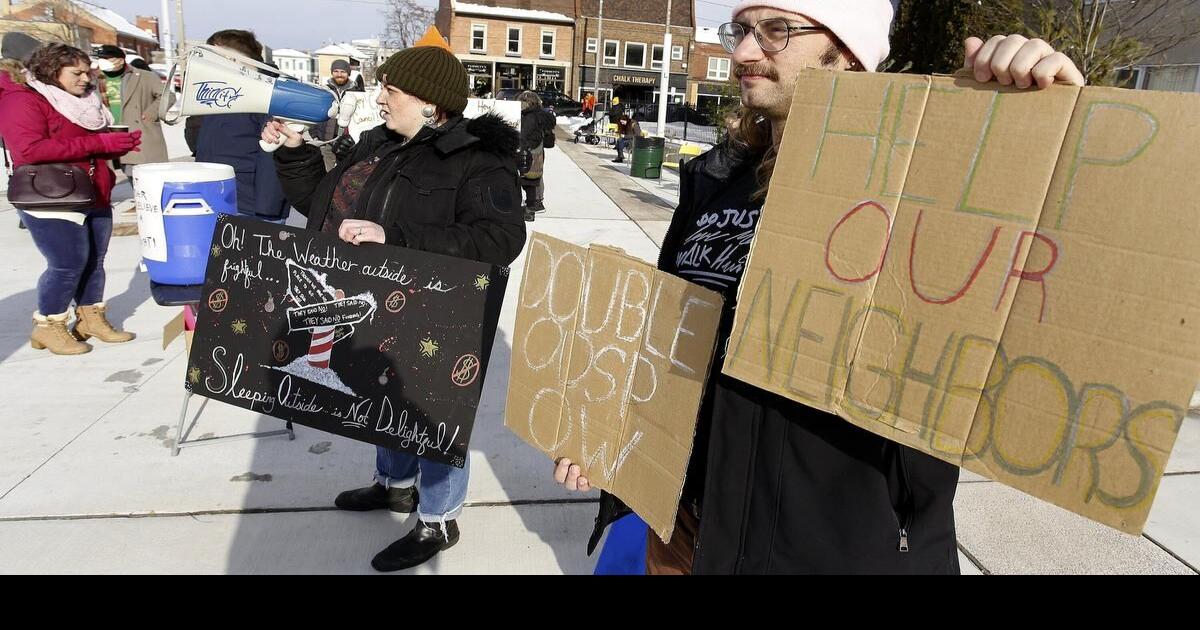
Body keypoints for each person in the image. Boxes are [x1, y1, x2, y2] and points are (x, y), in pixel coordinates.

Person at [553, 0, 1087, 574]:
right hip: (686, 533)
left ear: (848, 53)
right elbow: (668, 338)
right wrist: (605, 425)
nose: (741, 53)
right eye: (741, 30)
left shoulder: (923, 193)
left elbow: (1058, 289)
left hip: (825, 549)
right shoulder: (716, 181)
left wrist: (1047, 111)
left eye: (775, 31)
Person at [262, 27, 525, 572]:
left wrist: (396, 238)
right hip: (373, 303)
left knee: (432, 414)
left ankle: (438, 518)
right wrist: (293, 154)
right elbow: (321, 202)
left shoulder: (477, 159)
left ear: (430, 103)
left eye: (393, 91)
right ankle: (394, 486)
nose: (380, 98)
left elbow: (501, 239)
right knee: (383, 396)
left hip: (441, 313)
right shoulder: (379, 145)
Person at [0, 44, 142, 355]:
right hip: (51, 195)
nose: (85, 79)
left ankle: (90, 318)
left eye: (87, 71)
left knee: (95, 260)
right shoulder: (23, 99)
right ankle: (48, 325)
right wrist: (98, 141)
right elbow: (29, 150)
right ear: (52, 71)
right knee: (66, 264)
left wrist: (113, 146)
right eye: (76, 73)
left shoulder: (83, 101)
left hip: (93, 190)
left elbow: (79, 144)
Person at [185, 30, 291, 224]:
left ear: (234, 58)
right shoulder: (216, 88)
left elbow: (273, 153)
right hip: (213, 194)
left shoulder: (270, 92)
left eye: (215, 56)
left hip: (249, 204)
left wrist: (267, 210)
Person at [93, 45, 167, 176]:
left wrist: (152, 113)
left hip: (136, 131)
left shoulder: (144, 76)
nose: (102, 62)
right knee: (107, 176)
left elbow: (167, 96)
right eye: (100, 58)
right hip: (107, 133)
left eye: (107, 58)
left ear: (121, 60)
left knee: (139, 175)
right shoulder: (93, 79)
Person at [313, 59, 363, 169]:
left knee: (345, 173)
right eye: (336, 71)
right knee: (327, 174)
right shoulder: (324, 90)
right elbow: (314, 112)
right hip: (326, 141)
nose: (339, 74)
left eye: (343, 71)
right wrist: (315, 135)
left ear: (348, 73)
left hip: (348, 143)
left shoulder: (356, 91)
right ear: (331, 72)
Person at [518, 90, 555, 221]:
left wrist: (520, 146)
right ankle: (532, 206)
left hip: (527, 152)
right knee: (532, 180)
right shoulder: (540, 115)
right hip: (538, 152)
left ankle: (529, 209)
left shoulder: (529, 117)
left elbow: (524, 135)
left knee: (525, 181)